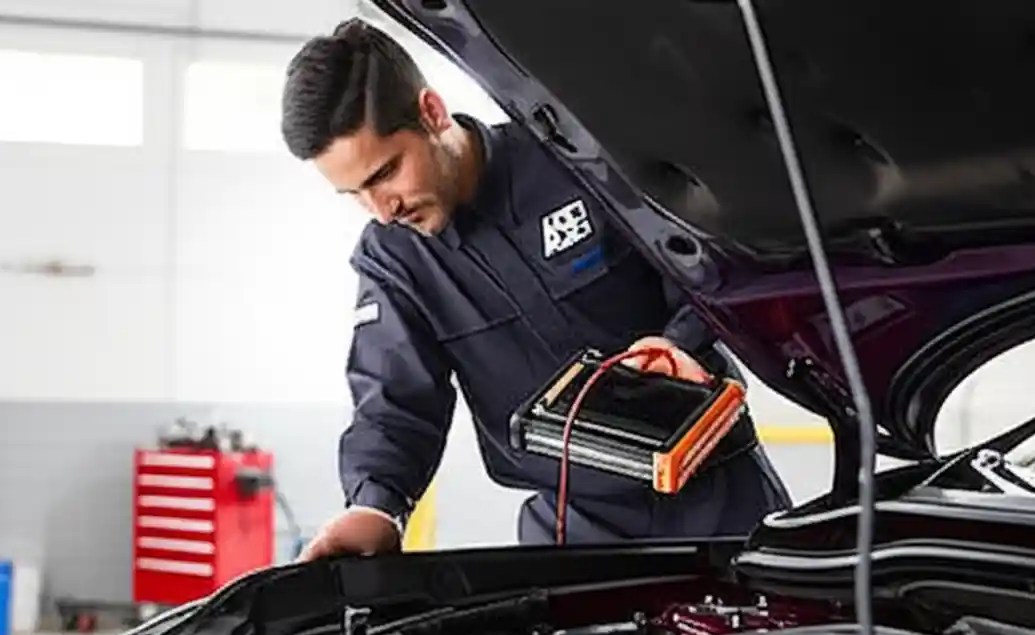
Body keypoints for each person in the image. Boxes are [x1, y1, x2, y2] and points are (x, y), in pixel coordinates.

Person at [282, 18, 790, 561]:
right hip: (574, 528)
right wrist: (376, 506)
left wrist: (680, 344)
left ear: (431, 112)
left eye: (385, 173)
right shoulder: (394, 259)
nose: (382, 210)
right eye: (354, 193)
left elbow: (706, 263)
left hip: (718, 493)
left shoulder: (578, 161)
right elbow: (394, 400)